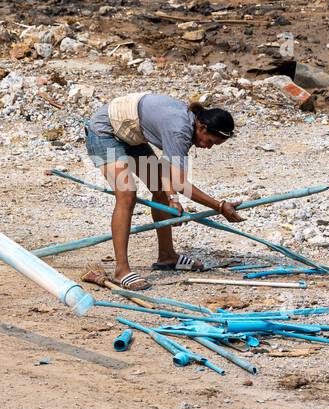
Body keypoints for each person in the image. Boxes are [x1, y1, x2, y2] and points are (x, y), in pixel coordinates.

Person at [84, 92, 243, 291]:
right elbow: (180, 182)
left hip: (131, 134)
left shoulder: (188, 124)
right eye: (210, 141)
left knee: (159, 191)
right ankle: (121, 271)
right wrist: (219, 206)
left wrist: (171, 197)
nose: (208, 147)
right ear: (202, 127)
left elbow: (170, 174)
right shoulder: (180, 130)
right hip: (104, 132)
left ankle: (167, 256)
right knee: (127, 194)